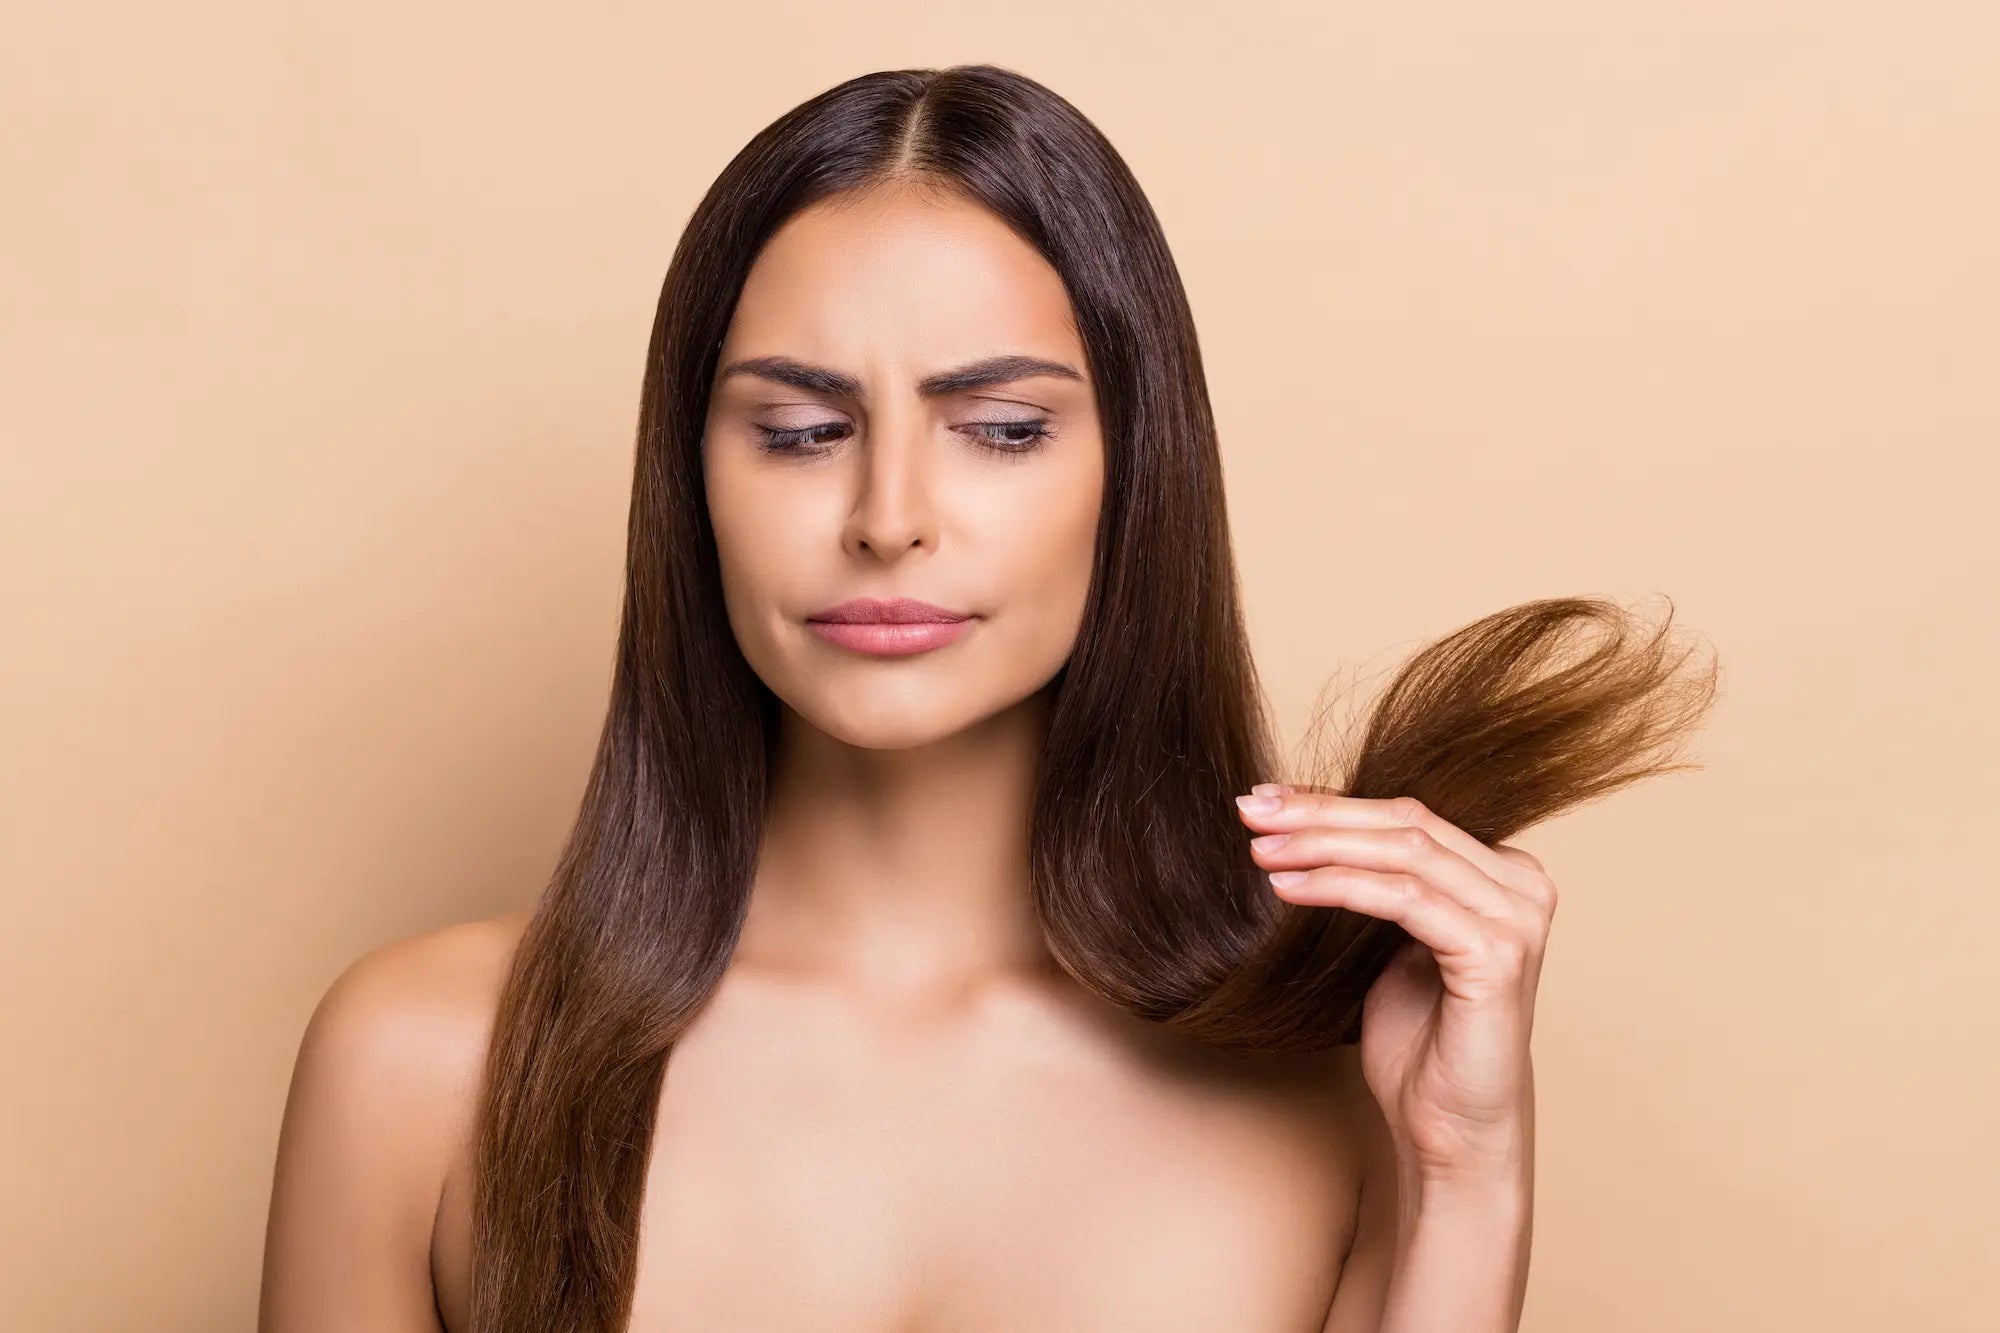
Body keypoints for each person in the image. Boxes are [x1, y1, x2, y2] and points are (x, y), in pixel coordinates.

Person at [259, 63, 1595, 1333]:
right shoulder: (422, 1064)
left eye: (1002, 428)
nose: (887, 517)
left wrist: (1468, 1175)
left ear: (1140, 476)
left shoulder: (1336, 1087)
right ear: (693, 482)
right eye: (799, 431)